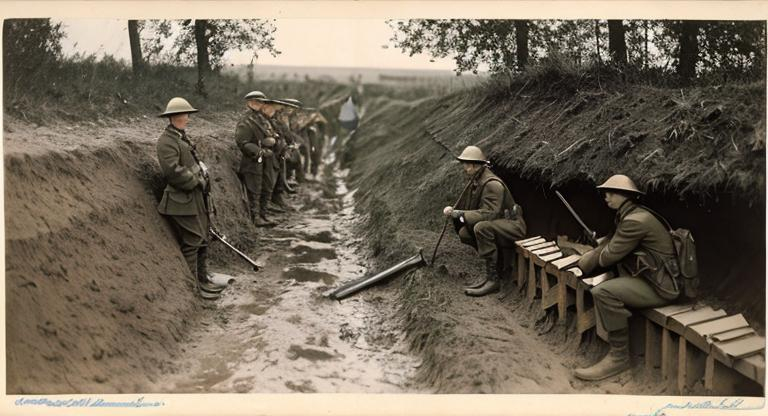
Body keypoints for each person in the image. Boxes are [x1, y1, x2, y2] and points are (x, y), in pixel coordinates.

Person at [574, 174, 680, 381]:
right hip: (653, 279)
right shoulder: (632, 215)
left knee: (602, 291)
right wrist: (604, 242)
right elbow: (613, 243)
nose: (606, 197)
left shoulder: (634, 221)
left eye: (611, 193)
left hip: (662, 287)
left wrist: (588, 257)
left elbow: (606, 258)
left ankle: (618, 358)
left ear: (626, 196)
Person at [156, 97, 225, 300]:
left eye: (187, 115)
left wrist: (201, 177)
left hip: (193, 199)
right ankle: (193, 289)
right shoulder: (166, 141)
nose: (187, 118)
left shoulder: (180, 137)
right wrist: (196, 181)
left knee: (203, 238)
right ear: (174, 117)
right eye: (185, 115)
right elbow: (172, 171)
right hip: (180, 201)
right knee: (193, 241)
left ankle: (203, 280)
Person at [442, 146, 526, 297]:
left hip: (513, 226)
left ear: (475, 165)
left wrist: (458, 214)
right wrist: (453, 212)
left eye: (466, 164)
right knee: (465, 233)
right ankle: (494, 270)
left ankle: (493, 280)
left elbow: (489, 214)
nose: (464, 168)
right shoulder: (477, 180)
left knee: (481, 227)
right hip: (498, 224)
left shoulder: (492, 184)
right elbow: (471, 208)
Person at [234, 91, 278, 227]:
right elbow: (243, 142)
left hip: (266, 158)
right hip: (252, 160)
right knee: (255, 188)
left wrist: (271, 139)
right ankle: (256, 217)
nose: (259, 104)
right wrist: (260, 151)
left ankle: (263, 214)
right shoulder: (245, 121)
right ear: (249, 103)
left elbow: (270, 133)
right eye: (256, 102)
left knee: (267, 185)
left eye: (261, 102)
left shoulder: (261, 118)